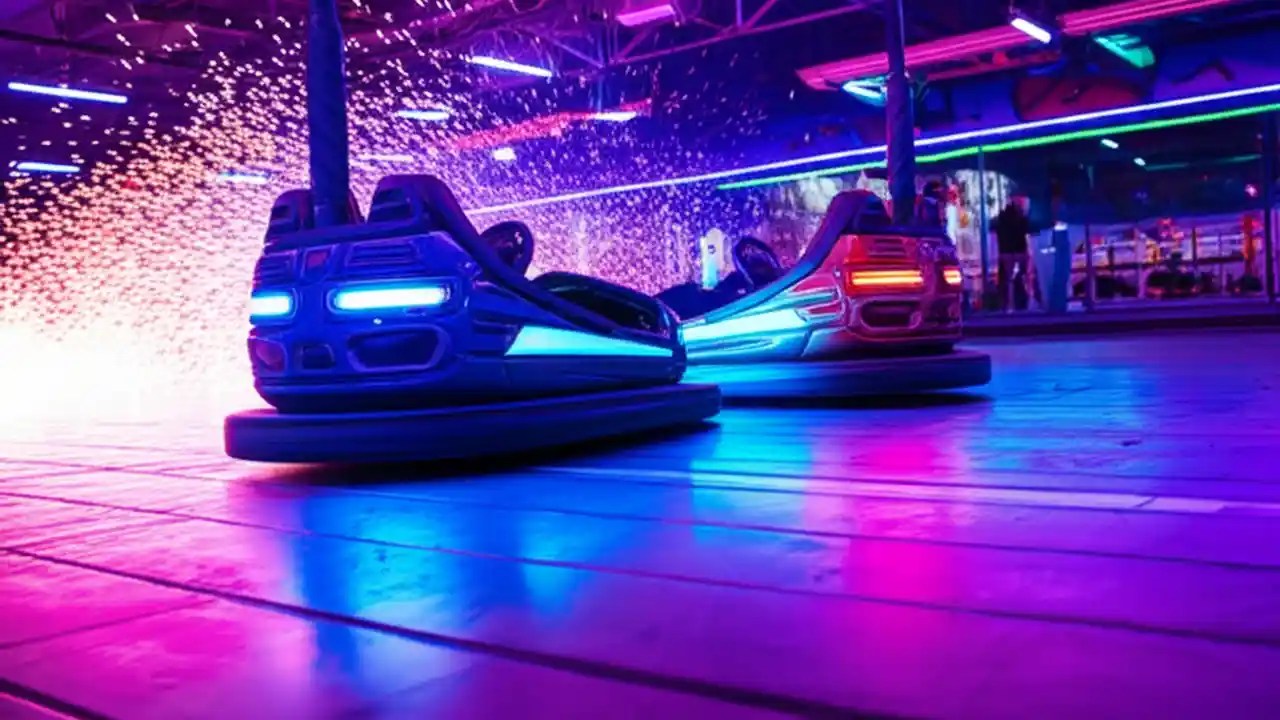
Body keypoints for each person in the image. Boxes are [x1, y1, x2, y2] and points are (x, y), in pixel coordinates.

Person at [994, 199, 1031, 311]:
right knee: (1020, 276)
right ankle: (1019, 301)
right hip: (1019, 250)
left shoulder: (1000, 221)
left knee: (1007, 278)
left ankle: (1008, 303)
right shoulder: (1021, 220)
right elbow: (1026, 231)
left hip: (1005, 252)